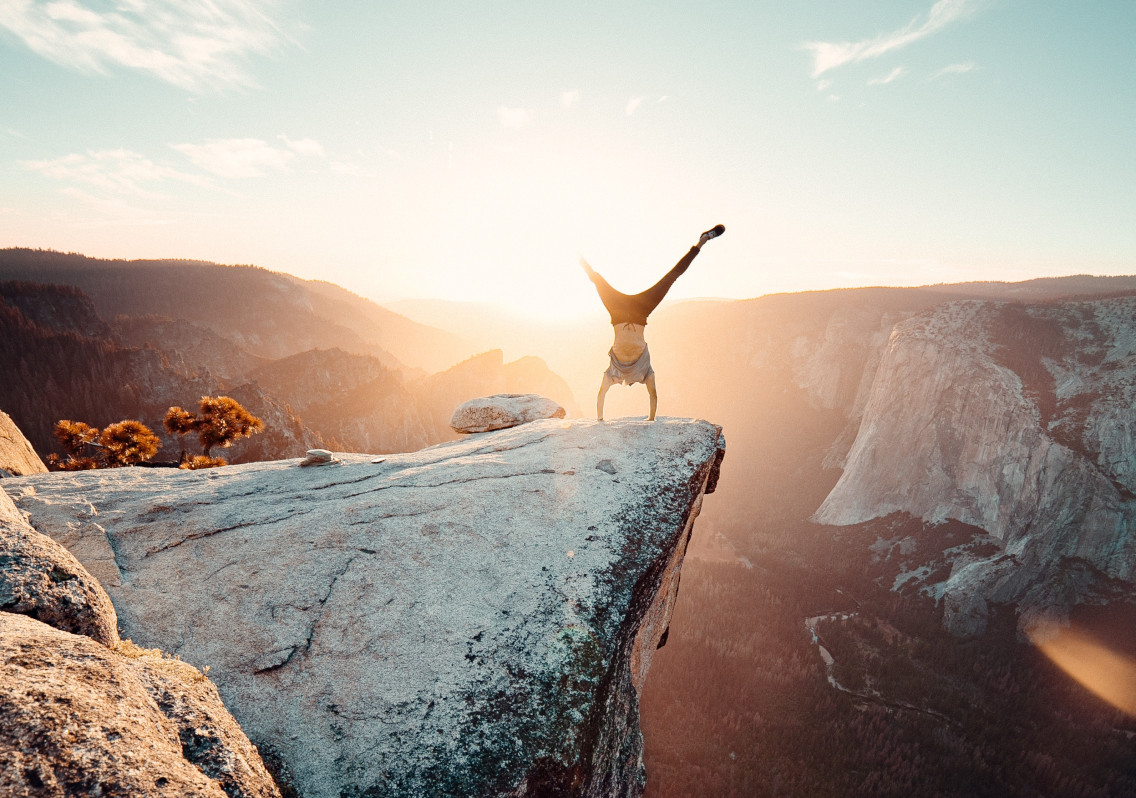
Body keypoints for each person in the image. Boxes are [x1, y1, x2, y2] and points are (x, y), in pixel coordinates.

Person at [582, 224, 725, 421]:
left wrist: (600, 420)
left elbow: (601, 396)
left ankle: (574, 253)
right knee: (671, 277)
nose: (629, 383)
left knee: (596, 279)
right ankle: (701, 242)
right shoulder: (644, 373)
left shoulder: (612, 373)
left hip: (619, 312)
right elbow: (653, 396)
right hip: (640, 311)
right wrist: (650, 419)